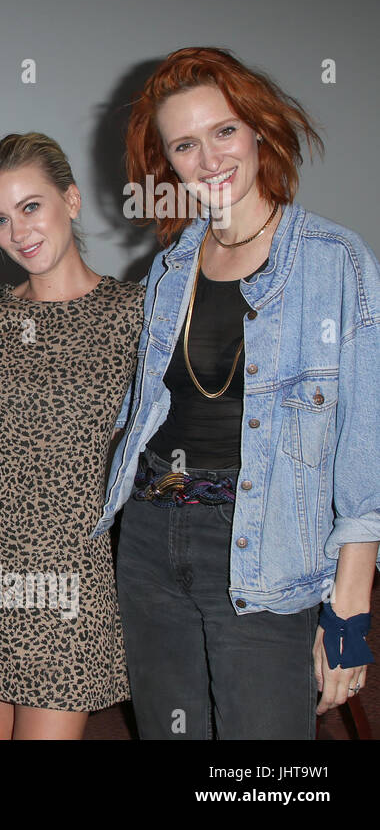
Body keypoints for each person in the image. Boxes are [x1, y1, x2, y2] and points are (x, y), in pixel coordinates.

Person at [97, 46, 380, 739]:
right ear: (167, 163)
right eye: (184, 144)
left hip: (266, 544)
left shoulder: (332, 261)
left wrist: (347, 611)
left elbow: (365, 454)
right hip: (151, 539)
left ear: (257, 129)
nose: (209, 158)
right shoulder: (168, 267)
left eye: (223, 131)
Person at [0, 132, 138, 739]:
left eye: (31, 207)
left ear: (73, 200)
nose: (18, 233)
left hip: (69, 578)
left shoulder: (135, 313)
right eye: (0, 219)